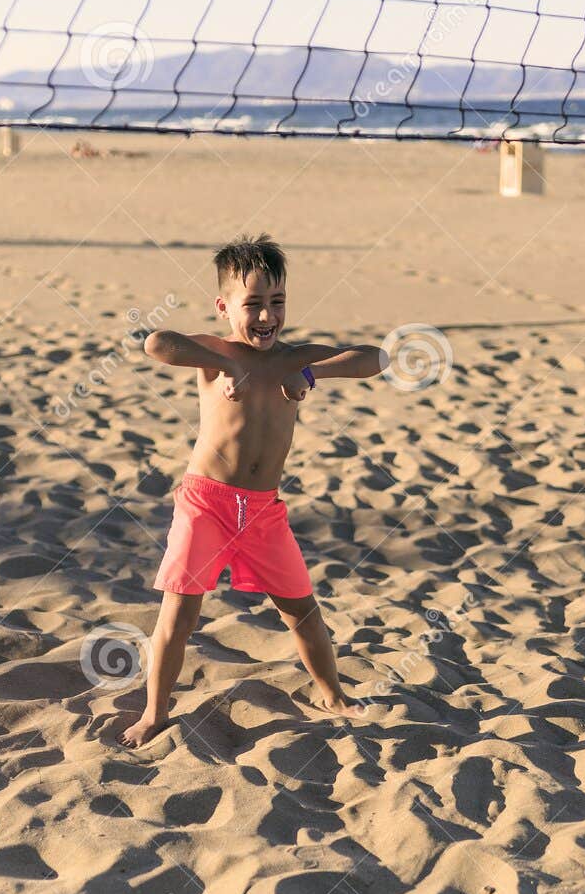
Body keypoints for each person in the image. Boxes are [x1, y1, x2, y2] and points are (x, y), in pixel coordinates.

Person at [120, 235, 387, 747]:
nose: (266, 316)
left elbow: (374, 357)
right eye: (253, 305)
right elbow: (157, 342)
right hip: (207, 503)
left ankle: (331, 694)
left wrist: (311, 372)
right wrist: (232, 365)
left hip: (264, 512)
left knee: (301, 610)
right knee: (180, 613)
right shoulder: (214, 353)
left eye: (277, 303)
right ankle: (154, 713)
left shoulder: (295, 359)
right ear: (224, 307)